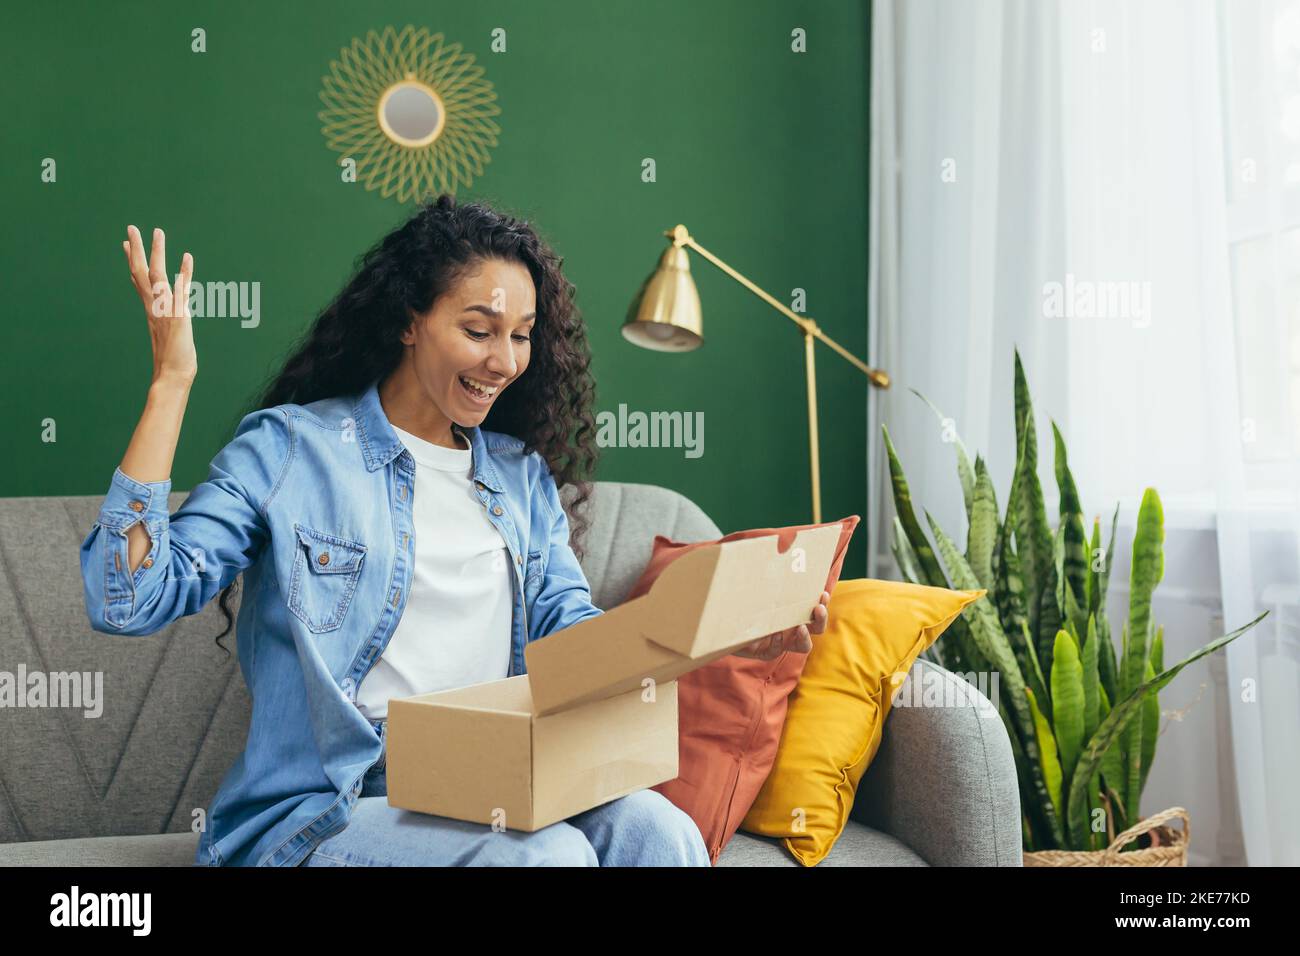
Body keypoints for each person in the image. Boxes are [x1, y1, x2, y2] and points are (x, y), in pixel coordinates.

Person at [80, 194, 829, 867]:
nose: (505, 361)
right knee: (549, 860)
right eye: (479, 330)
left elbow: (575, 640)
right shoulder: (291, 449)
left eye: (524, 335)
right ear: (409, 320)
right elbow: (128, 599)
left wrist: (724, 638)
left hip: (495, 771)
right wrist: (171, 382)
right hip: (331, 809)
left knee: (660, 835)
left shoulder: (518, 477)